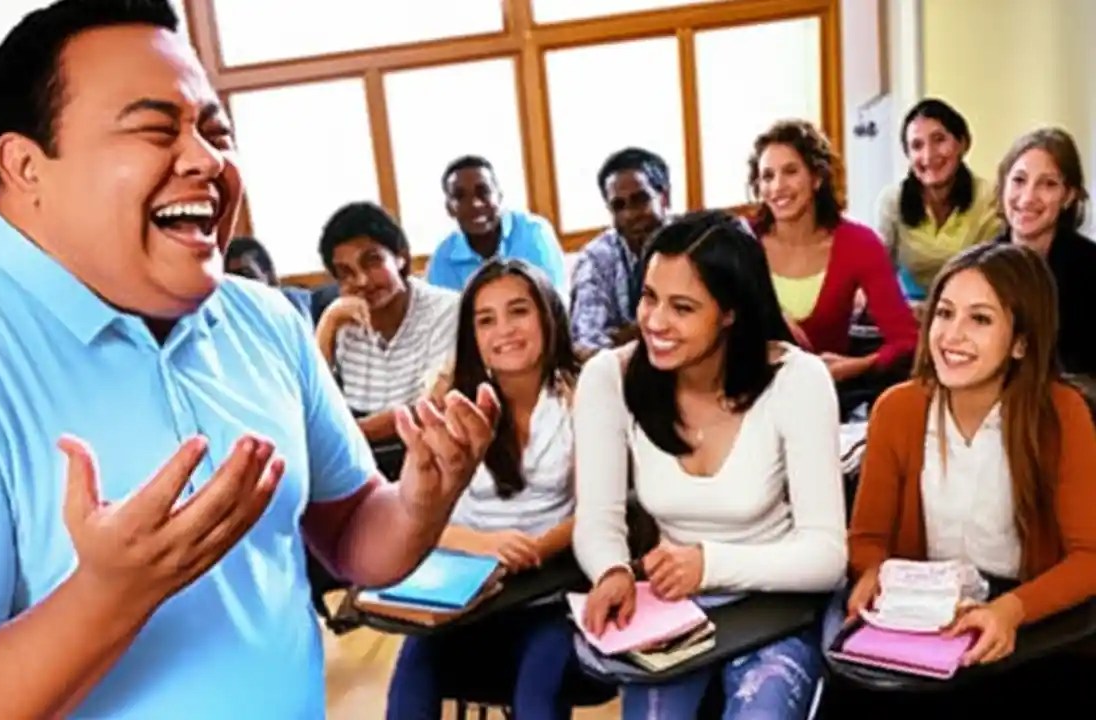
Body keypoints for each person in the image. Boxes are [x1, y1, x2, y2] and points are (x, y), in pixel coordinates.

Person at [0, 3, 500, 718]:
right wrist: (109, 597)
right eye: (153, 128)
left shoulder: (264, 321)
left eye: (214, 130)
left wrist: (422, 499)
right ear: (25, 168)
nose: (208, 160)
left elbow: (354, 532)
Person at [573, 210, 846, 719]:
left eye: (682, 307)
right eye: (649, 296)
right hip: (673, 611)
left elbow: (826, 554)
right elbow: (598, 519)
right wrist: (611, 569)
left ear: (730, 312)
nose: (654, 321)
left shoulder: (798, 380)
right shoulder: (609, 378)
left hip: (776, 605)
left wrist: (709, 565)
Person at [842, 242, 1096, 712]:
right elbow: (867, 538)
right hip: (925, 621)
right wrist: (874, 573)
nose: (951, 335)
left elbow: (1089, 558)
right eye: (944, 313)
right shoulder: (897, 410)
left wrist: (1009, 611)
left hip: (1027, 620)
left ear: (1021, 341)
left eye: (980, 319)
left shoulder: (1063, 414)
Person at [386, 259, 581, 720]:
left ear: (548, 315)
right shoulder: (447, 399)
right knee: (407, 696)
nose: (505, 331)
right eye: (486, 320)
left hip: (549, 593)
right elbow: (411, 513)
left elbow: (596, 511)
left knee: (538, 700)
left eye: (519, 311)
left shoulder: (580, 393)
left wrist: (532, 548)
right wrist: (486, 546)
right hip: (460, 592)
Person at [749, 119, 916, 394]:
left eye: (790, 171)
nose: (777, 186)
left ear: (816, 177)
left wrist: (857, 365)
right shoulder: (742, 241)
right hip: (749, 398)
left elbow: (907, 340)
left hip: (826, 398)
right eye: (767, 176)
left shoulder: (860, 244)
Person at [313, 201, 460, 445]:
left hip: (426, 447)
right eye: (346, 272)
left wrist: (341, 436)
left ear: (400, 257)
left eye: (372, 261)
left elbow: (429, 408)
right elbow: (311, 406)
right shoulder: (341, 319)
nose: (361, 281)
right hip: (358, 458)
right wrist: (328, 324)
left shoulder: (447, 309)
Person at [993, 127, 1096, 379]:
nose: (1028, 198)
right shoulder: (978, 266)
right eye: (1019, 180)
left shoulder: (1091, 267)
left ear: (1068, 196)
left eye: (1048, 184)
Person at [876, 99, 1001, 297]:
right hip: (911, 313)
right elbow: (877, 276)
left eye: (939, 139)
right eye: (917, 146)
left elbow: (996, 276)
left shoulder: (990, 198)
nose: (928, 155)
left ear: (963, 143)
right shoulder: (892, 201)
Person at [570, 147, 673, 360]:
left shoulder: (698, 241)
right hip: (625, 379)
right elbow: (587, 346)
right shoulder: (596, 260)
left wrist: (627, 334)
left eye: (640, 200)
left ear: (664, 198)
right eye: (618, 206)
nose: (630, 215)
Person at [426, 155, 567, 294]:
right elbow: (445, 315)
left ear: (499, 196)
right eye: (460, 196)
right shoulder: (443, 258)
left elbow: (553, 305)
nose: (475, 204)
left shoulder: (534, 233)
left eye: (483, 192)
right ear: (449, 208)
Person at [224, 235, 313, 322]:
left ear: (268, 274)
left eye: (246, 276)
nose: (241, 286)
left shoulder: (295, 303)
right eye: (232, 280)